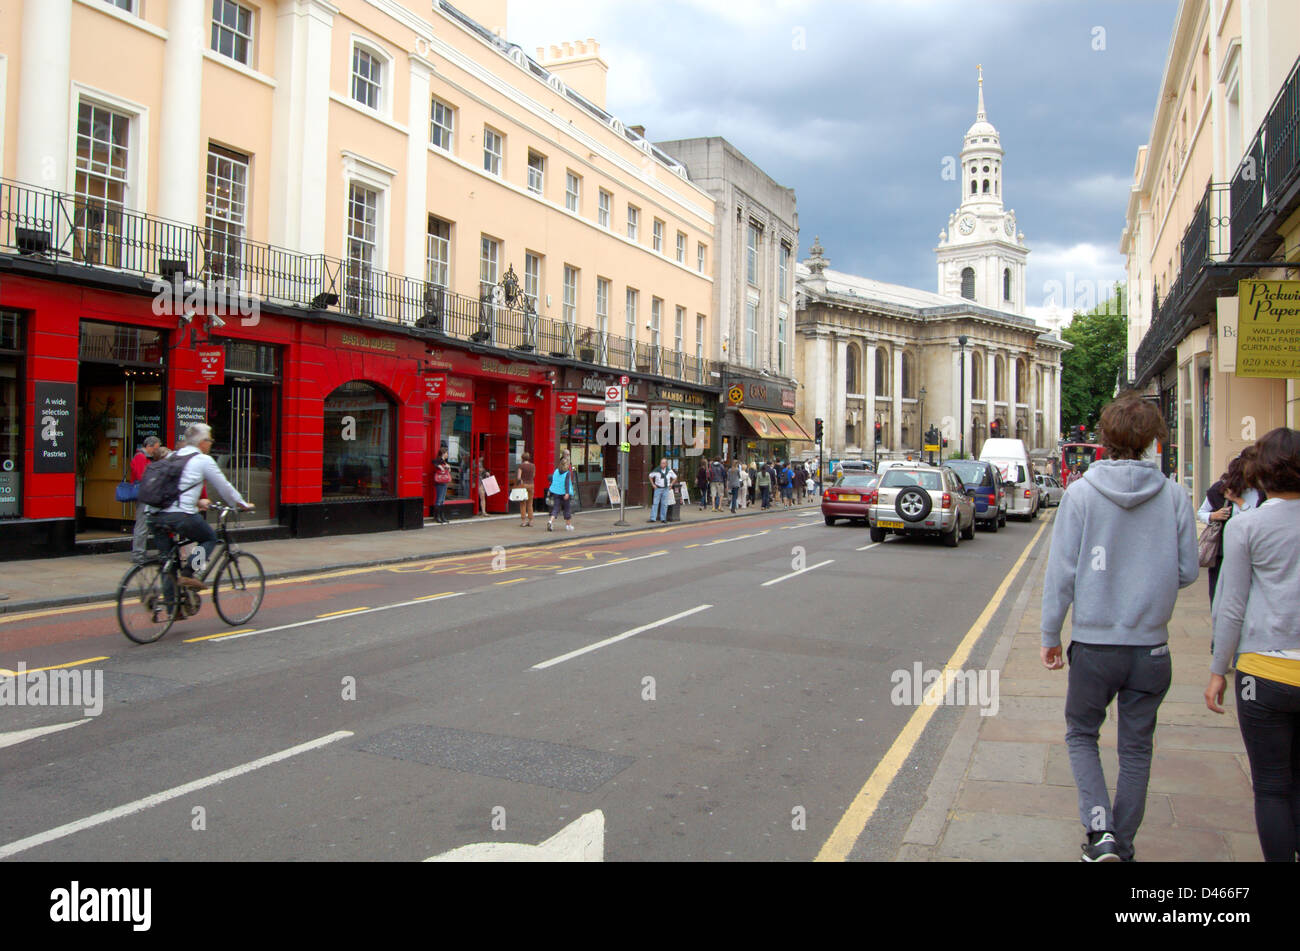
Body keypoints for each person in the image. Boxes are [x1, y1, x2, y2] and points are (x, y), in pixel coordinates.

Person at [1040, 392, 1198, 862]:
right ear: (1152, 440)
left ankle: (1100, 832)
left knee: (1081, 735)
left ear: (1104, 439)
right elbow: (1189, 571)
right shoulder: (1174, 495)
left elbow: (1061, 575)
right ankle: (1121, 845)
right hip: (1152, 649)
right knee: (1136, 750)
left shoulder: (1081, 494)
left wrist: (1051, 636)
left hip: (1094, 645)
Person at [1205, 428, 1300, 862]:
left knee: (1272, 786)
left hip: (1263, 673)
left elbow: (1231, 607)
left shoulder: (1246, 526)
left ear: (1260, 472)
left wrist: (1217, 670)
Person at [153, 423, 254, 589]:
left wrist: (197, 501)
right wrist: (241, 504)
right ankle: (189, 574)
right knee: (209, 538)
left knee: (168, 565)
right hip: (181, 515)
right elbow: (224, 486)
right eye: (210, 440)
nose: (211, 443)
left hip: (158, 515)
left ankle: (172, 610)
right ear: (202, 442)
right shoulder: (203, 460)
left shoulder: (173, 456)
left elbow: (171, 487)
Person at [1197, 452, 1265, 607]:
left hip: (1252, 550)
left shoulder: (1261, 492)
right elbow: (1201, 512)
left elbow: (1257, 521)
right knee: (1219, 594)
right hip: (1223, 552)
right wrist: (1213, 515)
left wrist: (1239, 502)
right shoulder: (1218, 490)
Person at [129, 436, 164, 564]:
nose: (156, 451)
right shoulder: (140, 457)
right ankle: (138, 555)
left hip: (147, 494)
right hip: (144, 495)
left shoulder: (144, 458)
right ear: (149, 446)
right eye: (155, 448)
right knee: (142, 525)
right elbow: (141, 476)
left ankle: (140, 553)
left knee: (145, 525)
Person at [546, 456, 577, 532]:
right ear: (567, 465)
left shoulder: (556, 471)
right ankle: (568, 525)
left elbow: (551, 479)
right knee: (567, 509)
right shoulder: (567, 473)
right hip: (564, 493)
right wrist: (567, 493)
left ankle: (550, 521)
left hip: (556, 492)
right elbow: (566, 483)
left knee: (556, 508)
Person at [648, 457, 676, 523]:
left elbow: (675, 477)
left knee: (664, 504)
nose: (662, 464)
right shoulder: (657, 470)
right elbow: (650, 476)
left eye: (663, 463)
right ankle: (653, 518)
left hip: (666, 489)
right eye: (661, 463)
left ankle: (663, 518)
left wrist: (671, 484)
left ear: (666, 464)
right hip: (658, 488)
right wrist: (653, 484)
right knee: (655, 503)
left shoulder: (669, 471)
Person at [431, 447, 452, 524]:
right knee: (439, 499)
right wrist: (440, 466)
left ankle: (442, 516)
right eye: (446, 453)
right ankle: (437, 517)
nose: (447, 454)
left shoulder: (444, 462)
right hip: (439, 482)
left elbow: (448, 470)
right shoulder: (439, 460)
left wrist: (448, 467)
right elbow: (434, 462)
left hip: (444, 482)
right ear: (443, 453)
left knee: (442, 500)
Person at [516, 451, 536, 527]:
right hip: (531, 485)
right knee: (530, 504)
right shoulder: (533, 466)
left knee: (523, 503)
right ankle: (531, 521)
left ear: (522, 458)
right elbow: (533, 475)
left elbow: (518, 477)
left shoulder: (521, 466)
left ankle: (524, 521)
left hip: (523, 485)